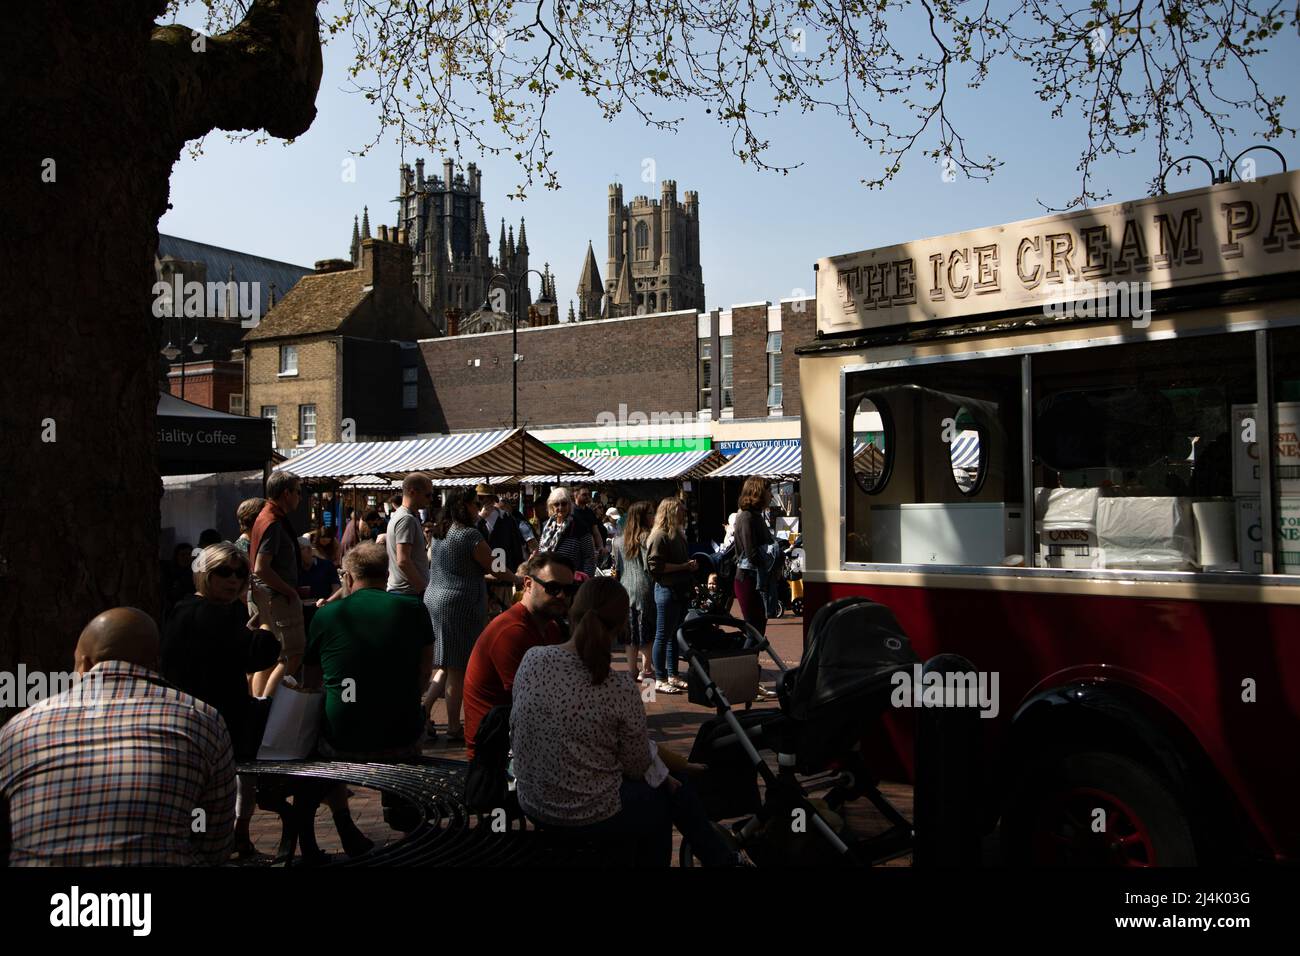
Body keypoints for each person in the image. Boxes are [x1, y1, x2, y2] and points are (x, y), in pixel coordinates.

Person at [509, 578, 735, 866]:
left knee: (668, 785)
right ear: (620, 627)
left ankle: (722, 858)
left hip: (533, 801)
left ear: (573, 611)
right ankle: (721, 859)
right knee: (670, 795)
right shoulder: (619, 688)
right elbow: (636, 765)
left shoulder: (533, 660)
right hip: (585, 813)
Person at [0, 608, 235, 866]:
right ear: (155, 663)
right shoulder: (201, 719)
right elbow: (216, 843)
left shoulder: (18, 728)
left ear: (85, 663)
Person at [302, 542, 433, 857]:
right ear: (387, 575)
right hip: (402, 733)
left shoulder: (328, 615)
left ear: (347, 577)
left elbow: (310, 683)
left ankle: (343, 822)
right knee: (407, 721)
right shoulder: (414, 609)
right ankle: (400, 808)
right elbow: (423, 676)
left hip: (343, 738)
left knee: (318, 731)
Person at [161, 543, 281, 858]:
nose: (232, 579)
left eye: (240, 573)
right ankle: (225, 842)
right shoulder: (213, 614)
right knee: (218, 790)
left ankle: (223, 840)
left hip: (188, 713)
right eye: (223, 572)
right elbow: (262, 653)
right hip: (218, 717)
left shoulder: (183, 608)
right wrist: (266, 615)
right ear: (205, 573)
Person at [423, 489, 521, 742]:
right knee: (458, 668)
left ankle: (422, 711)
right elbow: (496, 568)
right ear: (463, 506)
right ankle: (455, 727)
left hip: (434, 598)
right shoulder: (469, 535)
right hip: (459, 604)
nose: (478, 507)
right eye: (474, 503)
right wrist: (519, 579)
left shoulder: (439, 533)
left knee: (444, 664)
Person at [462, 551, 576, 758]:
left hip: (522, 738)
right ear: (528, 584)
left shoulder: (550, 627)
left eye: (569, 590)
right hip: (496, 755)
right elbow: (536, 706)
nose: (562, 596)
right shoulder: (512, 632)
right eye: (552, 588)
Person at [249, 470, 307, 697]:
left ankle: (258, 702)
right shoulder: (272, 521)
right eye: (298, 492)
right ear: (286, 493)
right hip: (276, 598)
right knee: (291, 654)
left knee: (268, 656)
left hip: (268, 596)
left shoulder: (267, 517)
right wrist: (289, 591)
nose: (300, 498)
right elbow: (261, 567)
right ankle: (268, 704)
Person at [646, 497, 697, 694]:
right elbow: (655, 567)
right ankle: (659, 677)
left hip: (678, 590)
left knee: (674, 636)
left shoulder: (677, 533)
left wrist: (688, 566)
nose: (684, 513)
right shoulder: (660, 535)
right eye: (680, 510)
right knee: (662, 635)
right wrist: (684, 566)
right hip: (667, 590)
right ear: (670, 512)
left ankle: (672, 674)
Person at [613, 500, 656, 680]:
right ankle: (647, 670)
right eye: (650, 513)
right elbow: (651, 567)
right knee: (646, 632)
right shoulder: (647, 538)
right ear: (642, 517)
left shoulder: (618, 541)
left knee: (630, 633)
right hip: (645, 589)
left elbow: (618, 568)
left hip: (625, 589)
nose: (653, 517)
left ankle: (632, 669)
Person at [733, 477, 776, 636]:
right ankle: (745, 660)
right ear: (758, 492)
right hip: (748, 579)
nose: (771, 495)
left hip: (756, 579)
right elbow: (752, 554)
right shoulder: (747, 517)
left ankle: (751, 660)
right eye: (769, 491)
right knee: (754, 630)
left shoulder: (756, 515)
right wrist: (772, 557)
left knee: (759, 629)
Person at [476, 486, 526, 614]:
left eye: (485, 498)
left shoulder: (506, 519)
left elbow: (516, 548)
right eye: (480, 498)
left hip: (503, 579)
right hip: (481, 579)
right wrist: (480, 518)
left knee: (502, 614)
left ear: (493, 499)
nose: (483, 501)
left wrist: (517, 573)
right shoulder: (475, 521)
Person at [386, 473, 434, 596]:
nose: (431, 499)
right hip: (407, 593)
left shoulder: (403, 516)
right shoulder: (406, 519)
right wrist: (423, 590)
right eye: (428, 495)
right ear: (413, 492)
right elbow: (403, 560)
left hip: (404, 591)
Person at [540, 486, 596, 576]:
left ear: (569, 505)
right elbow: (541, 553)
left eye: (564, 503)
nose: (560, 507)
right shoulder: (547, 527)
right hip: (549, 579)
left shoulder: (580, 526)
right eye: (556, 504)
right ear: (551, 507)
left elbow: (589, 557)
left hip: (572, 582)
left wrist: (585, 580)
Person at [572, 485, 606, 556]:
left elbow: (596, 532)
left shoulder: (590, 512)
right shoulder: (571, 511)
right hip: (574, 549)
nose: (587, 496)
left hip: (589, 550)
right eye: (584, 494)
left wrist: (601, 547)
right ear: (576, 496)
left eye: (588, 494)